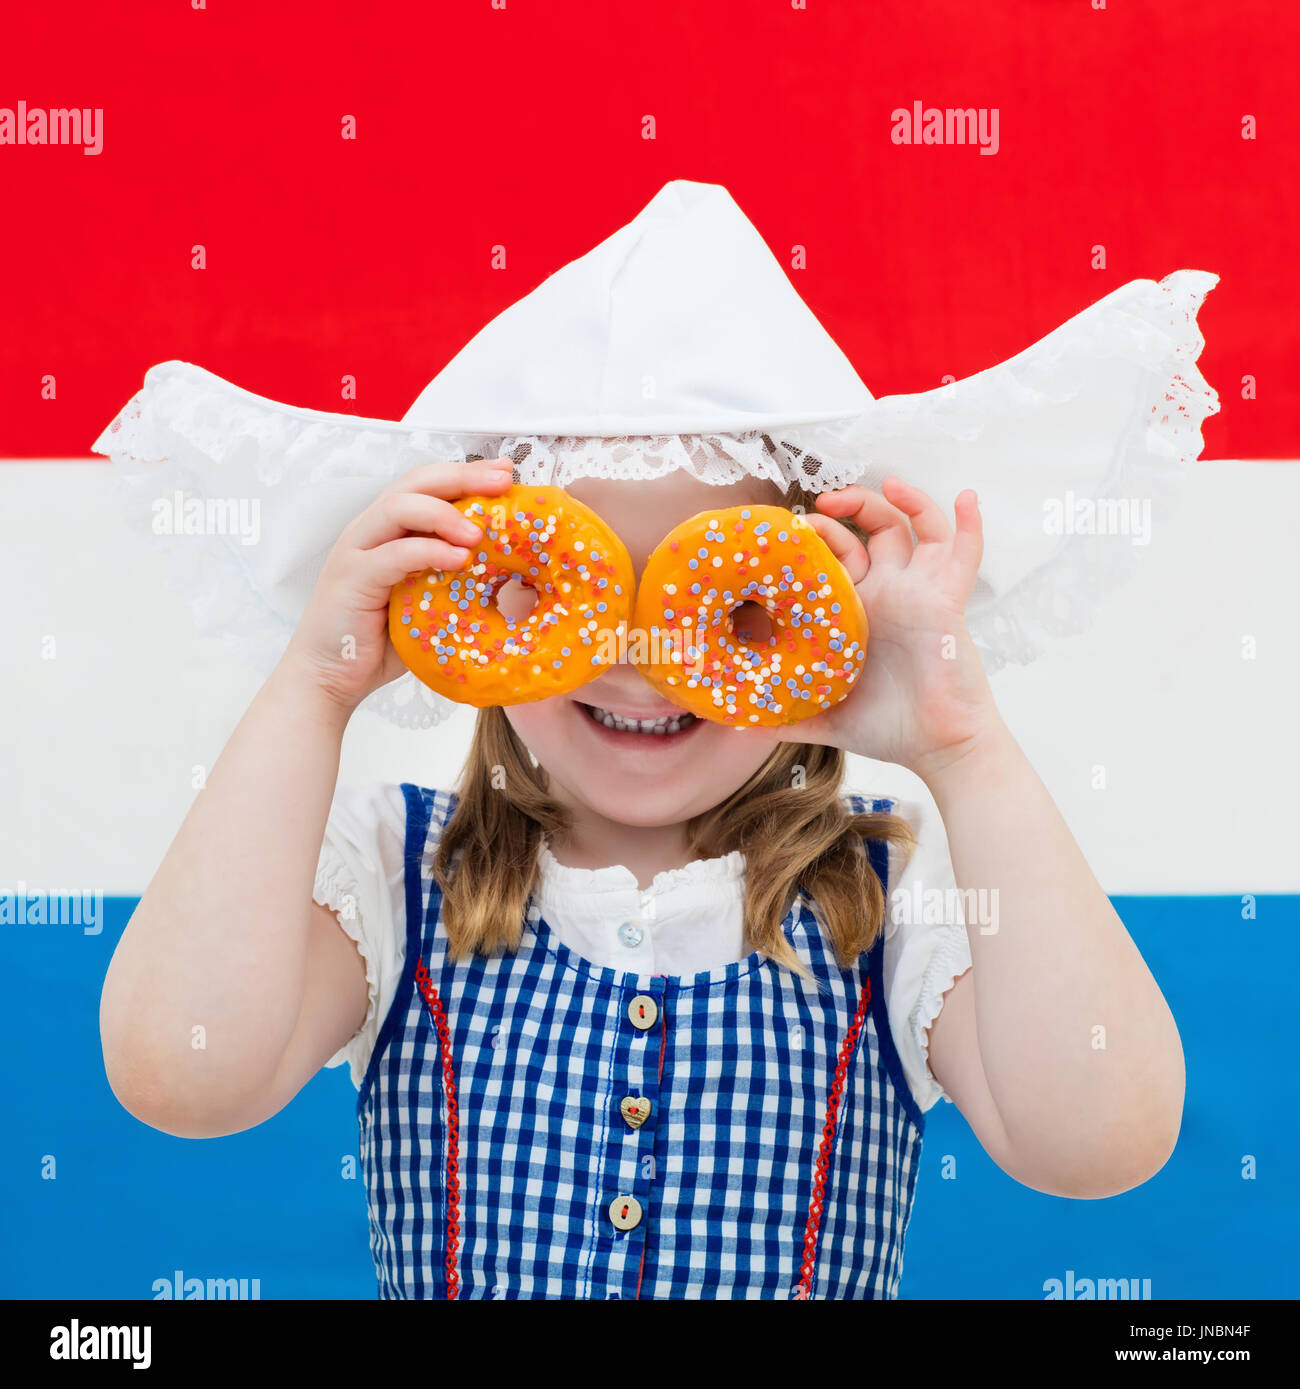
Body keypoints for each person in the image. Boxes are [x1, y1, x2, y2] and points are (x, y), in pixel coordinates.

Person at [94, 179, 1219, 1298]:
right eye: (565, 587)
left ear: (822, 618)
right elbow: (183, 1074)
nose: (636, 656)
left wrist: (964, 747)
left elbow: (1099, 1142)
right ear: (469, 601)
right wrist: (314, 685)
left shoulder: (893, 900)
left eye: (723, 602)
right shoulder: (397, 873)